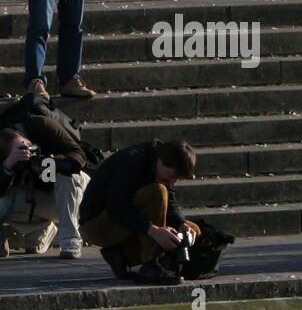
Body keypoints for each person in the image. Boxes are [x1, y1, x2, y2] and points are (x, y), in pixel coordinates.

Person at [79, 139, 198, 281]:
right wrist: (154, 231)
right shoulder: (131, 162)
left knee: (192, 228)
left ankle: (122, 256)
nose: (172, 183)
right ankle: (150, 265)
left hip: (117, 218)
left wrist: (182, 224)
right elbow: (117, 209)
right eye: (172, 177)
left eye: (177, 179)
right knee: (158, 192)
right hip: (95, 226)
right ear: (161, 162)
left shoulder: (161, 165)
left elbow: (170, 201)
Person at [0, 90, 91, 257]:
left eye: (25, 147)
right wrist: (7, 165)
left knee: (69, 177)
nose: (25, 152)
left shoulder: (42, 126)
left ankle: (70, 241)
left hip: (61, 194)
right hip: (27, 195)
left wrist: (49, 163)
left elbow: (79, 157)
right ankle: (40, 231)